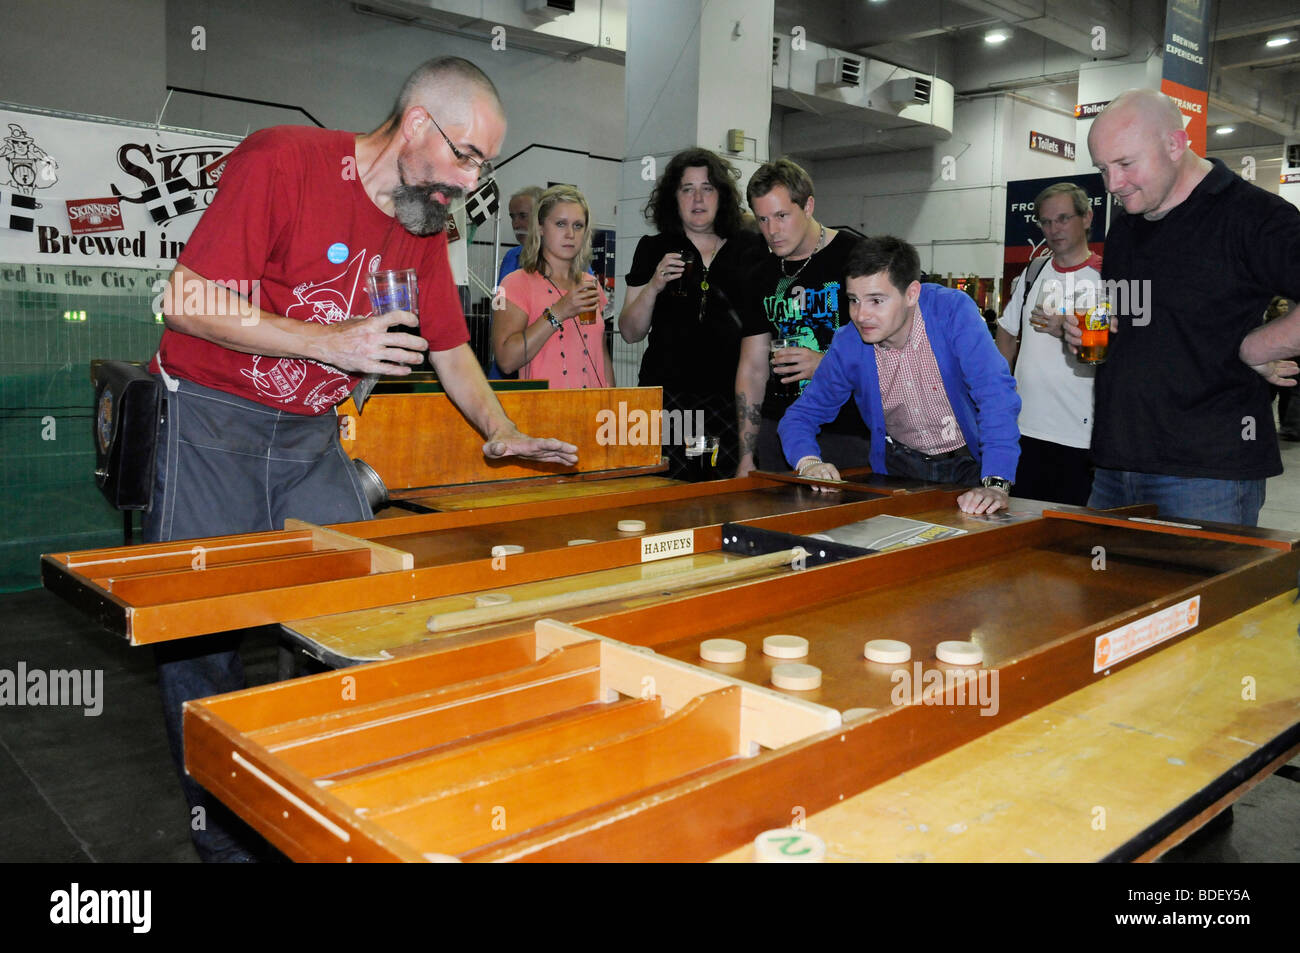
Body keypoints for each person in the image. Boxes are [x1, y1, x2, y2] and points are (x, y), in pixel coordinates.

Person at [148, 56, 577, 861]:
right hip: (212, 422)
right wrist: (329, 342)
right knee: (200, 642)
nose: (469, 183)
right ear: (416, 124)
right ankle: (228, 846)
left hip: (308, 437)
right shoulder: (284, 161)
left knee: (366, 613)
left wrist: (501, 427)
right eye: (467, 157)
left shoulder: (423, 225)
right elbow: (185, 298)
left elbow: (449, 347)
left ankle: (327, 812)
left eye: (482, 167)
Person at [1065, 88, 1300, 525]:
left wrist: (1256, 347)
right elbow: (1139, 327)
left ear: (1175, 144)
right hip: (1115, 466)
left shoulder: (1251, 214)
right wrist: (1087, 337)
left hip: (1205, 475)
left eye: (1125, 164)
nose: (1113, 185)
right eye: (1103, 169)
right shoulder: (1126, 227)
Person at [779, 236, 1020, 515]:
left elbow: (996, 396)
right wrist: (809, 463)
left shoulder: (951, 312)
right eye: (854, 300)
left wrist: (997, 483)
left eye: (876, 300)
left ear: (911, 294)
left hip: (970, 465)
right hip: (899, 469)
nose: (861, 315)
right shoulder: (849, 342)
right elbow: (800, 416)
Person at [618, 148, 765, 480]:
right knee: (663, 494)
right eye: (687, 189)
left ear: (721, 196)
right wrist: (654, 286)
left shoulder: (750, 249)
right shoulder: (653, 248)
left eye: (707, 188)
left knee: (720, 497)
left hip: (729, 402)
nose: (698, 198)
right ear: (674, 197)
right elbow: (629, 332)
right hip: (667, 401)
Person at [734, 158, 871, 477]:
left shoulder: (857, 258)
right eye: (763, 219)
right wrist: (746, 455)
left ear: (808, 206)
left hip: (847, 432)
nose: (772, 231)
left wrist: (827, 364)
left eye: (782, 216)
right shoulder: (759, 274)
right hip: (777, 432)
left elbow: (892, 354)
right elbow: (752, 369)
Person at [994, 182, 1103, 505]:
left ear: (1087, 218)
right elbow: (1006, 333)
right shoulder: (1034, 271)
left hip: (1078, 435)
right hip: (1023, 430)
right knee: (1018, 521)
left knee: (1070, 528)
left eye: (1063, 218)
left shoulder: (1105, 278)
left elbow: (1106, 355)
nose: (1054, 229)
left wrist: (1066, 330)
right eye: (1046, 222)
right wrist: (1000, 394)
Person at [492, 185, 611, 388]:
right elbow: (506, 361)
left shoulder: (590, 284)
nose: (570, 234)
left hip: (595, 405)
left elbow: (602, 356)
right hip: (545, 405)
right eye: (560, 224)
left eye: (578, 225)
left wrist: (614, 400)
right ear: (540, 228)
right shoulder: (515, 284)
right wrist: (558, 313)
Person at [497, 185, 543, 284]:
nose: (515, 224)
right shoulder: (511, 256)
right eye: (512, 217)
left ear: (542, 217)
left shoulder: (559, 259)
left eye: (523, 216)